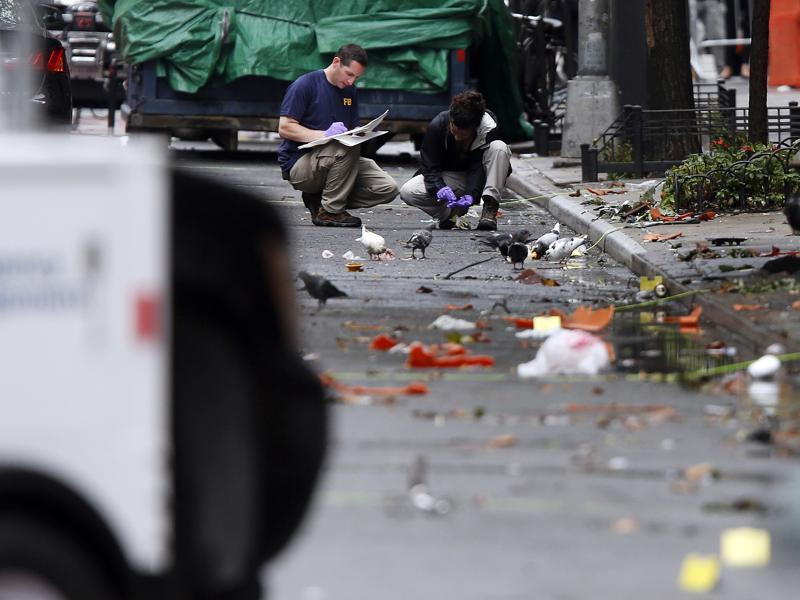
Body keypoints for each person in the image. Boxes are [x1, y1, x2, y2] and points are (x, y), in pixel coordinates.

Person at [278, 44, 398, 228]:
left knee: (387, 188)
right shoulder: (305, 85)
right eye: (349, 74)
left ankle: (321, 201)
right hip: (300, 163)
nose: (351, 81)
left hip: (336, 160)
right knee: (346, 147)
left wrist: (363, 132)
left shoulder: (349, 91)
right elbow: (285, 128)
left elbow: (351, 129)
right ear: (336, 62)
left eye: (356, 77)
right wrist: (324, 134)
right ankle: (330, 212)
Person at [400, 90, 511, 231]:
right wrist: (439, 187)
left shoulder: (488, 128)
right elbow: (429, 166)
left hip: (482, 177)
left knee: (499, 147)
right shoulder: (438, 124)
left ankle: (490, 209)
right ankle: (452, 216)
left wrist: (471, 194)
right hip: (453, 177)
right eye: (454, 130)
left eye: (463, 134)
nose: (457, 137)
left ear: (474, 128)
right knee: (408, 191)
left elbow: (478, 166)